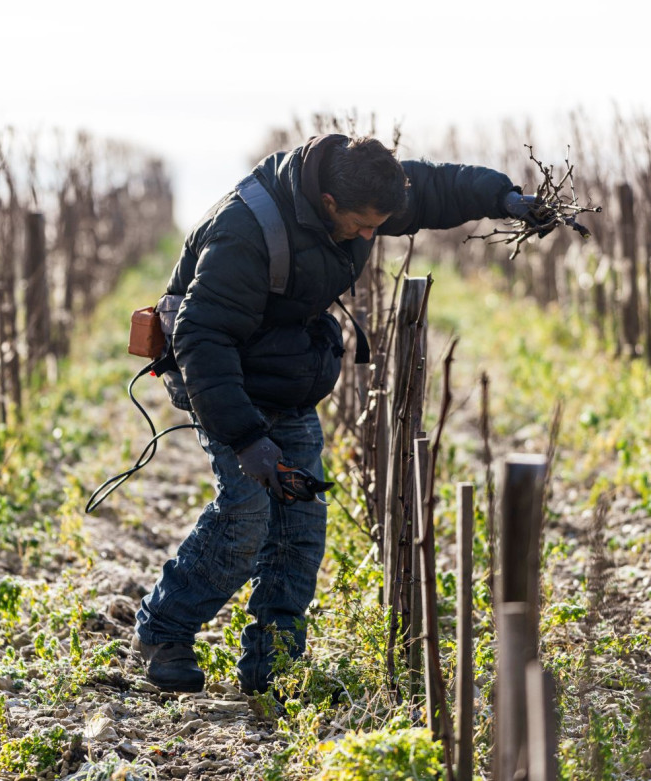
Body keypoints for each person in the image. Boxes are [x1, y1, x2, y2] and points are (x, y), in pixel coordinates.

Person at [133, 133, 547, 694]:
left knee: (300, 525)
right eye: (364, 224)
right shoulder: (247, 229)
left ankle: (272, 662)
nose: (373, 235)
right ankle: (165, 631)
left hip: (287, 375)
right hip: (222, 375)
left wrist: (505, 199)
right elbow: (203, 338)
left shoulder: (364, 191)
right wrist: (247, 439)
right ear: (328, 203)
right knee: (247, 514)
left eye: (382, 223)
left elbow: (437, 187)